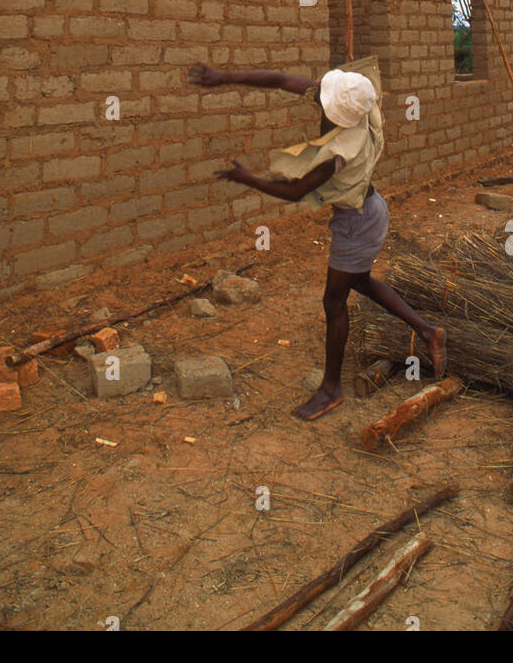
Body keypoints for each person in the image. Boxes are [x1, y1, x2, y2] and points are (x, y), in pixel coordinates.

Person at [188, 60, 447, 421]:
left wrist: (245, 178)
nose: (317, 98)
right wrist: (224, 78)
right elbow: (279, 79)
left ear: (336, 112)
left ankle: (330, 389)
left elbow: (295, 192)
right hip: (367, 211)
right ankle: (427, 330)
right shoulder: (359, 105)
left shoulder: (340, 152)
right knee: (361, 283)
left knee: (334, 300)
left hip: (357, 223)